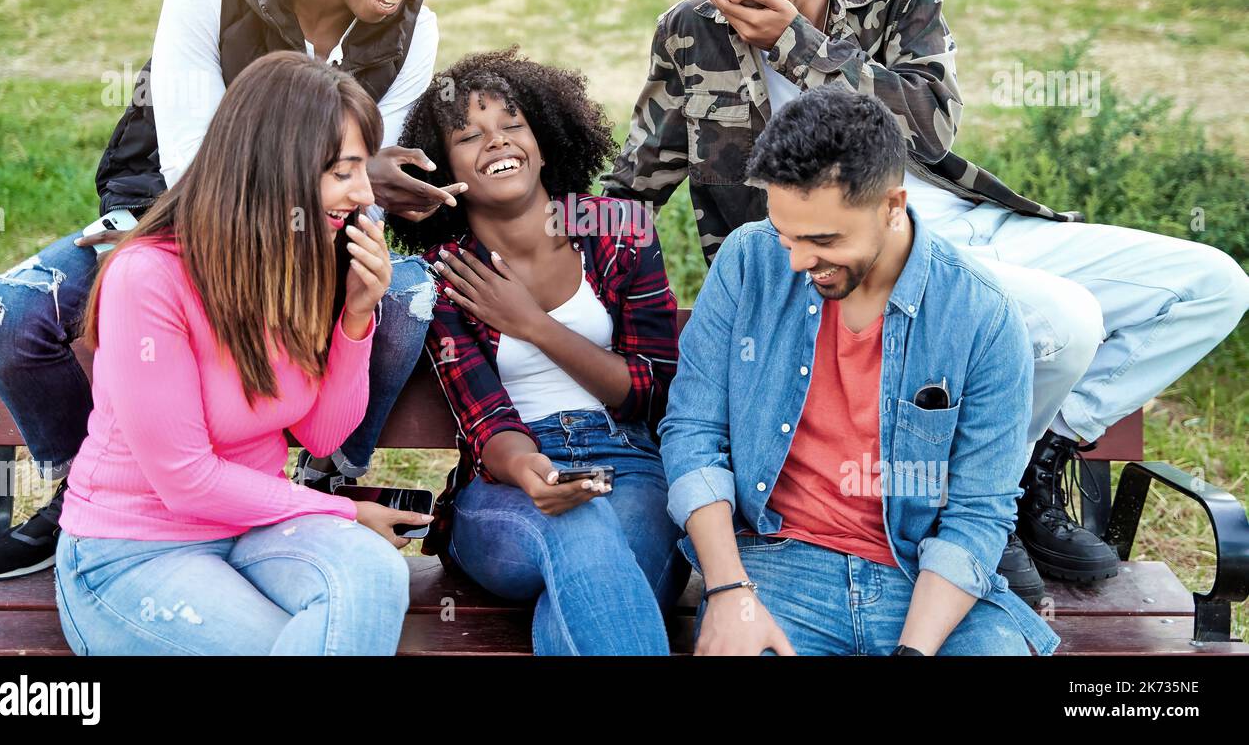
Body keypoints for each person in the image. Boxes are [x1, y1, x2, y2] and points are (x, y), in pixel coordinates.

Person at [603, 0, 1249, 601]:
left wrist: (797, 46)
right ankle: (988, 512)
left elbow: (932, 127)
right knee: (1065, 322)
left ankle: (1028, 460)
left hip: (962, 223)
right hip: (843, 262)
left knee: (1212, 284)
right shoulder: (690, 32)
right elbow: (636, 183)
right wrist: (532, 231)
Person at [0, 0, 468, 579]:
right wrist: (334, 172)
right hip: (174, 226)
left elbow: (357, 174)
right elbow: (189, 162)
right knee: (10, 316)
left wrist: (392, 188)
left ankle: (320, 485)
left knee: (404, 298)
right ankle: (90, 489)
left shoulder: (413, 31)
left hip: (311, 243)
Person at [54, 51, 433, 655]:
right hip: (132, 551)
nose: (364, 192)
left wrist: (357, 316)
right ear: (274, 171)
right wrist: (344, 512)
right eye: (343, 171)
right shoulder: (148, 277)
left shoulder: (302, 255)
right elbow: (185, 480)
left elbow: (322, 435)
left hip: (256, 531)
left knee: (374, 577)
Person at [659, 85, 1059, 656]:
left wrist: (912, 653)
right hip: (773, 569)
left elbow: (978, 512)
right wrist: (727, 590)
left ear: (892, 206)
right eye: (785, 233)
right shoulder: (749, 261)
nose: (797, 260)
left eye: (823, 239)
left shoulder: (981, 315)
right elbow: (694, 433)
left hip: (922, 578)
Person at [388, 49, 686, 655]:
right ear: (446, 168)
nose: (496, 143)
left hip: (630, 466)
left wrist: (533, 325)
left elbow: (652, 389)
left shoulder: (619, 228)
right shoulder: (446, 275)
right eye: (468, 135)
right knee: (578, 523)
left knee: (588, 577)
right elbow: (486, 420)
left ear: (545, 142)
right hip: (505, 486)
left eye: (512, 125)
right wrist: (537, 474)